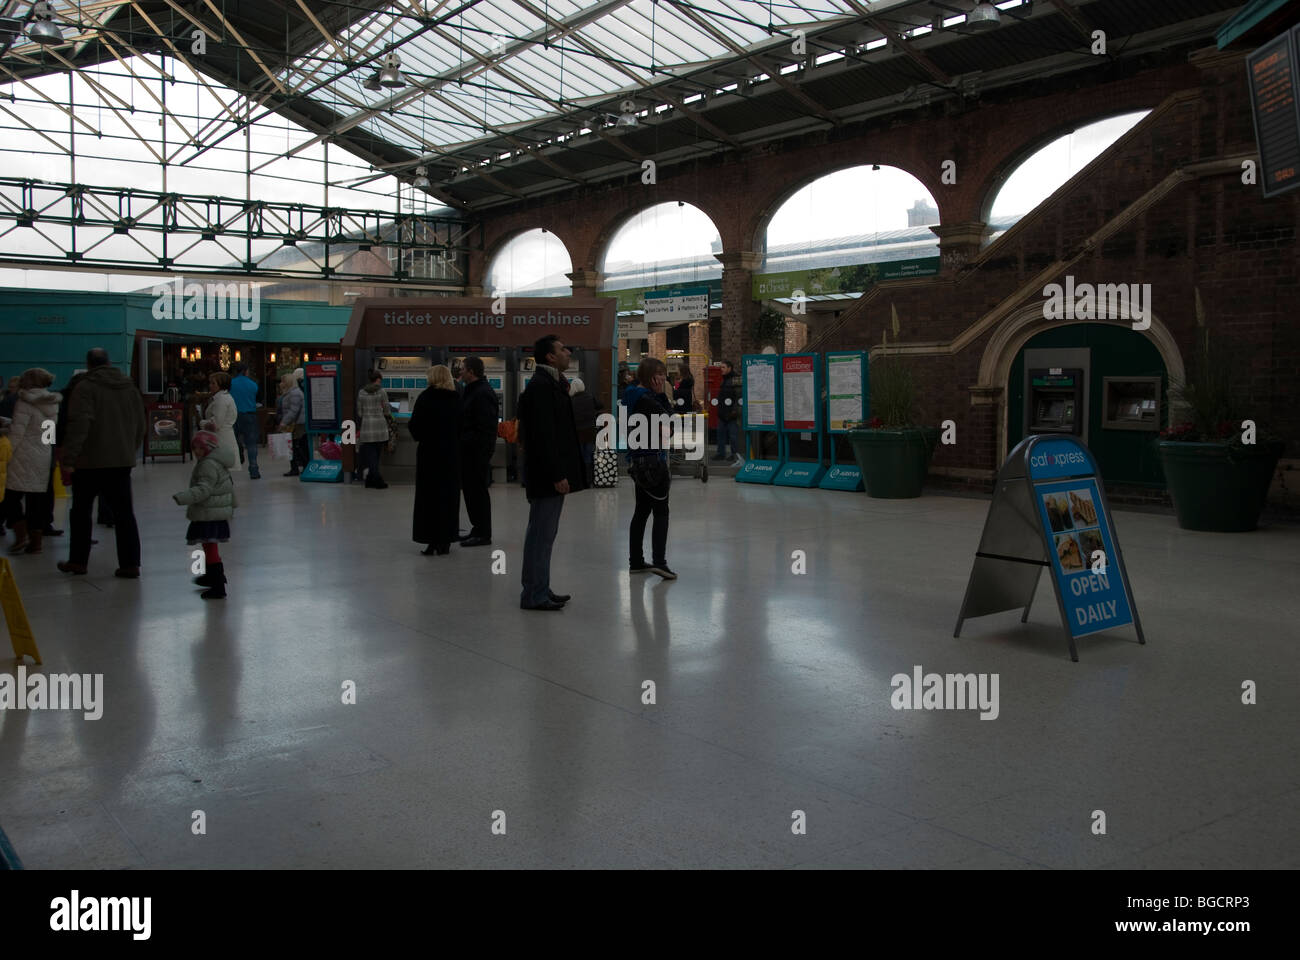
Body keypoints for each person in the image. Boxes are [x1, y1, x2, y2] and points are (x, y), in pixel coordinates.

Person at [57, 348, 146, 578]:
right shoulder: (128, 386)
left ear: (89, 364)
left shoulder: (85, 387)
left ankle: (78, 561)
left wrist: (70, 457)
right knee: (124, 513)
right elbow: (140, 423)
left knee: (81, 511)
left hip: (89, 461)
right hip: (120, 461)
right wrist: (130, 449)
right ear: (108, 361)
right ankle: (130, 563)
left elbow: (80, 424)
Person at [516, 335, 585, 611]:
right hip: (547, 476)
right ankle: (534, 594)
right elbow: (545, 437)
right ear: (550, 357)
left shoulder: (550, 384)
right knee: (541, 536)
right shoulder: (542, 387)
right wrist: (558, 474)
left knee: (542, 535)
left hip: (546, 473)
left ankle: (538, 588)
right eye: (562, 349)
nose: (568, 352)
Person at [621, 358, 676, 580]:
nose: (663, 378)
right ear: (648, 376)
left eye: (664, 374)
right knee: (662, 512)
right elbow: (670, 426)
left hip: (637, 462)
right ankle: (660, 562)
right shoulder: (648, 401)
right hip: (653, 462)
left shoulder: (630, 395)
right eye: (659, 374)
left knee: (642, 511)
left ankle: (636, 561)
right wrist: (662, 395)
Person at [174, 429, 236, 601]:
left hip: (209, 513)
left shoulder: (208, 465)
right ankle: (213, 576)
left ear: (208, 448)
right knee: (209, 546)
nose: (196, 452)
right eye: (194, 448)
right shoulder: (214, 461)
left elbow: (204, 489)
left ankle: (217, 586)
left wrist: (183, 497)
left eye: (199, 448)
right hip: (213, 511)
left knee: (210, 547)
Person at [4, 369, 59, 556]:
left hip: (21, 456)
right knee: (36, 502)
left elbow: (17, 434)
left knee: (10, 498)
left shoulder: (24, 402)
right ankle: (36, 543)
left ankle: (21, 535)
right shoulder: (52, 403)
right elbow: (48, 435)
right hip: (43, 455)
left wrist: (6, 454)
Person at [407, 365, 461, 555]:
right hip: (451, 455)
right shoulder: (456, 399)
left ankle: (431, 541)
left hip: (429, 455)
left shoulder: (425, 398)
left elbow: (414, 427)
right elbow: (463, 427)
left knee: (428, 498)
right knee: (448, 497)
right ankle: (445, 540)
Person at [457, 356, 497, 547]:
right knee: (472, 493)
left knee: (478, 493)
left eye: (463, 369)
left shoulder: (482, 393)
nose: (460, 372)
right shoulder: (472, 391)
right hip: (469, 451)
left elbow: (485, 428)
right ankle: (477, 528)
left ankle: (483, 533)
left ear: (471, 371)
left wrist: (478, 450)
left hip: (476, 453)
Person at [355, 368, 391, 489]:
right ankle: (378, 480)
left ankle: (370, 480)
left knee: (371, 456)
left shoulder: (361, 392)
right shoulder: (382, 392)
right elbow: (387, 410)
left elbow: (359, 412)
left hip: (367, 428)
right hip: (380, 428)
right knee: (376, 455)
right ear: (378, 379)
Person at [568, 377, 602, 489]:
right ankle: (589, 481)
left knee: (579, 458)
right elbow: (600, 405)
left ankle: (580, 481)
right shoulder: (590, 397)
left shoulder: (571, 401)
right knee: (588, 457)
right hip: (590, 433)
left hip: (577, 434)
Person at [229, 362, 261, 479]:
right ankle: (254, 468)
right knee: (252, 443)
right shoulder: (253, 384)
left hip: (235, 415)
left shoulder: (231, 383)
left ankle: (239, 451)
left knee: (234, 439)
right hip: (250, 415)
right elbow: (256, 397)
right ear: (246, 371)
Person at [204, 371, 239, 468]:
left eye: (213, 383)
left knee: (220, 469)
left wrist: (202, 423)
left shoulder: (222, 400)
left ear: (221, 384)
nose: (210, 385)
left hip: (221, 439)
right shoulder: (222, 397)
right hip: (222, 437)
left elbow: (216, 423)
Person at [713, 360, 742, 463]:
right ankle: (721, 453)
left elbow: (739, 396)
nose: (721, 369)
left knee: (733, 435)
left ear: (730, 368)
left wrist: (734, 411)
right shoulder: (724, 380)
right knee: (720, 434)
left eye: (723, 367)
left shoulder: (736, 379)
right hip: (722, 413)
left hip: (731, 414)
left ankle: (735, 454)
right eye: (721, 367)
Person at [278, 373, 306, 477]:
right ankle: (297, 467)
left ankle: (299, 467)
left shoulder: (294, 393)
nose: (281, 384)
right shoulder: (292, 392)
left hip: (297, 424)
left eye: (282, 381)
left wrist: (284, 422)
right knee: (295, 446)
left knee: (297, 446)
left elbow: (293, 410)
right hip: (295, 423)